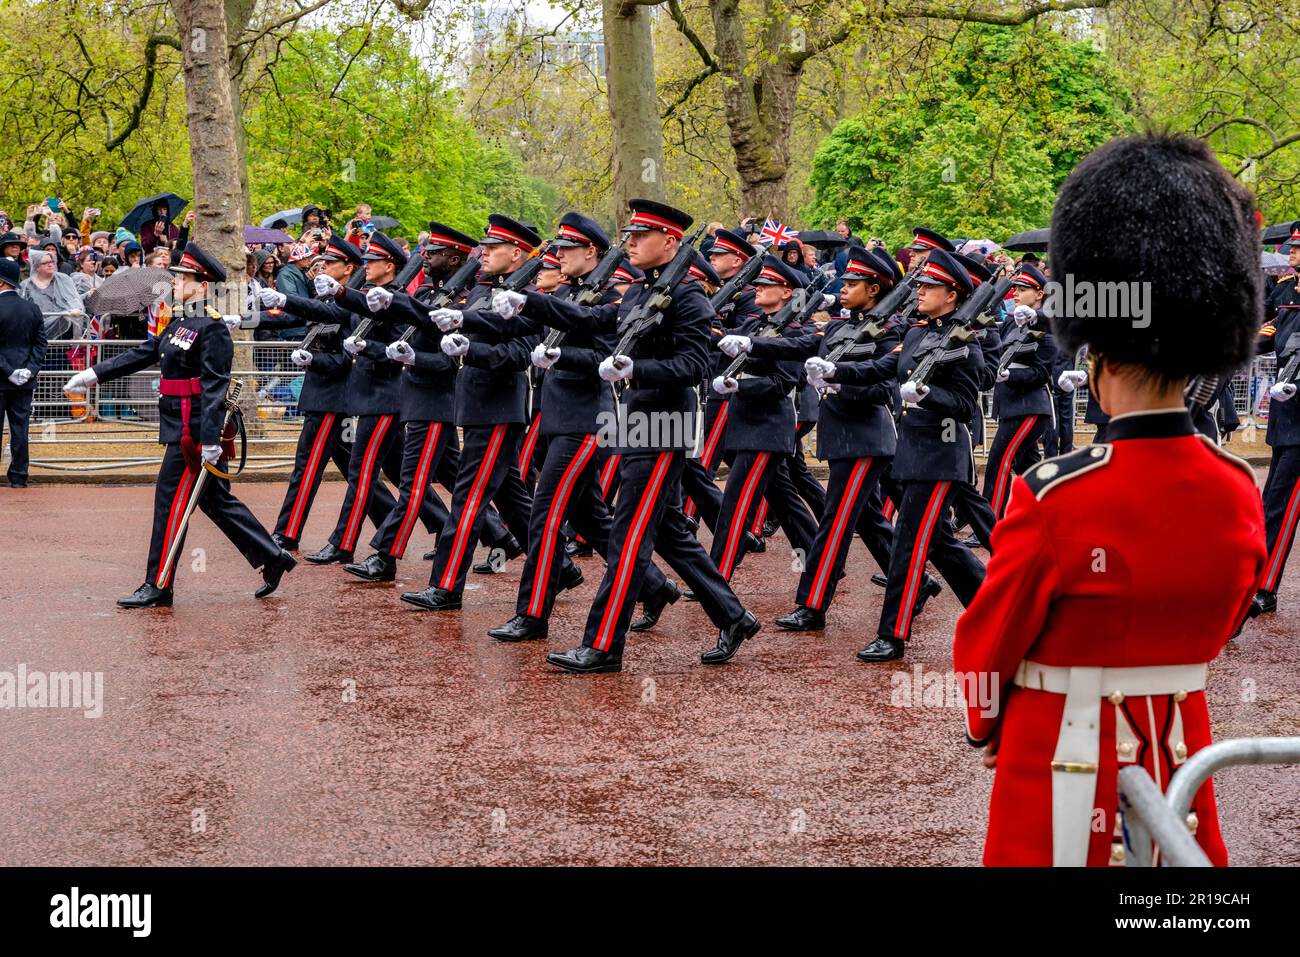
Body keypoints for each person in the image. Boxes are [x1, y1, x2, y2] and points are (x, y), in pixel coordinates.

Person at [953, 134, 1266, 867]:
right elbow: (1217, 627)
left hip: (1060, 755)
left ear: (1101, 359)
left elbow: (987, 642)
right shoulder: (1234, 486)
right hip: (1182, 753)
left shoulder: (1056, 493)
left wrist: (984, 723)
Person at [489, 199, 760, 671]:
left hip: (664, 426)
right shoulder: (639, 292)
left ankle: (603, 645)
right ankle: (733, 616)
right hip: (635, 422)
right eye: (630, 235)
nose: (630, 243)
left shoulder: (690, 298)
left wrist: (640, 369)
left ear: (671, 243)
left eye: (640, 236)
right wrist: (530, 301)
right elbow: (594, 321)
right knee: (672, 535)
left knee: (630, 537)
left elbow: (696, 366)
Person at [63, 243, 296, 606]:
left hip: (194, 431)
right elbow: (146, 352)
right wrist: (95, 374)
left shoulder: (212, 327)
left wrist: (210, 440)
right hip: (180, 424)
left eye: (184, 277)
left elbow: (214, 385)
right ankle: (272, 556)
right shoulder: (178, 319)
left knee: (169, 502)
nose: (176, 281)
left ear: (203, 285)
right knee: (216, 502)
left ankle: (158, 584)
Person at [812, 247, 988, 662]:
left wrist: (929, 394)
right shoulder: (916, 334)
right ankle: (996, 610)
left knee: (909, 545)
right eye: (922, 285)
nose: (921, 292)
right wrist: (835, 371)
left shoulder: (965, 343)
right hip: (913, 452)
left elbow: (965, 404)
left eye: (931, 287)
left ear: (954, 296)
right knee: (942, 545)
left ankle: (893, 634)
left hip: (941, 456)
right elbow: (878, 371)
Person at [399, 215, 540, 610]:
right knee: (513, 499)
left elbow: (521, 354)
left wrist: (469, 350)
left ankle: (445, 586)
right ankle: (561, 566)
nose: (484, 254)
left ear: (516, 253)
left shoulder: (525, 293)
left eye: (493, 248)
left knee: (469, 497)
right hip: (476, 406)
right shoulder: (482, 287)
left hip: (498, 408)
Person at [706, 254, 818, 582]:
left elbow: (782, 382)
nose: (759, 288)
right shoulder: (756, 325)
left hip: (767, 428)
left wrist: (740, 385)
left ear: (786, 292)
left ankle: (715, 578)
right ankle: (820, 559)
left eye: (767, 284)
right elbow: (723, 339)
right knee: (784, 501)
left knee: (736, 504)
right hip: (749, 426)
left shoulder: (795, 332)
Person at [302, 232, 411, 565]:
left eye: (372, 261)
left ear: (389, 265)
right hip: (367, 399)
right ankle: (495, 534)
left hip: (385, 398)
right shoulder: (370, 296)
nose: (366, 267)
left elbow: (398, 351)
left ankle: (344, 542)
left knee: (363, 473)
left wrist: (369, 348)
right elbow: (333, 313)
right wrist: (280, 300)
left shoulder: (395, 299)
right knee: (377, 472)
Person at [1249, 223, 1300, 617]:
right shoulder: (1284, 290)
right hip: (1285, 414)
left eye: (1297, 249)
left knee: (1281, 509)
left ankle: (1264, 588)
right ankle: (1261, 585)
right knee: (1272, 505)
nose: (1292, 254)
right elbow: (1269, 335)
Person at [981, 263, 1055, 521]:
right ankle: (1052, 515)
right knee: (1029, 468)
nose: (1016, 293)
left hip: (1029, 407)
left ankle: (989, 523)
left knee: (998, 464)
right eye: (1015, 288)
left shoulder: (1046, 326)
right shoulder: (1012, 325)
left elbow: (1041, 373)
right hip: (1011, 405)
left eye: (1023, 289)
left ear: (1039, 294)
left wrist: (1011, 374)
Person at [0, 257, 45, 487]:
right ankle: (19, 475)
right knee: (20, 429)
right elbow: (41, 344)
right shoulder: (33, 308)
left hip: (1, 377)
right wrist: (29, 370)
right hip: (25, 380)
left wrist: (8, 371)